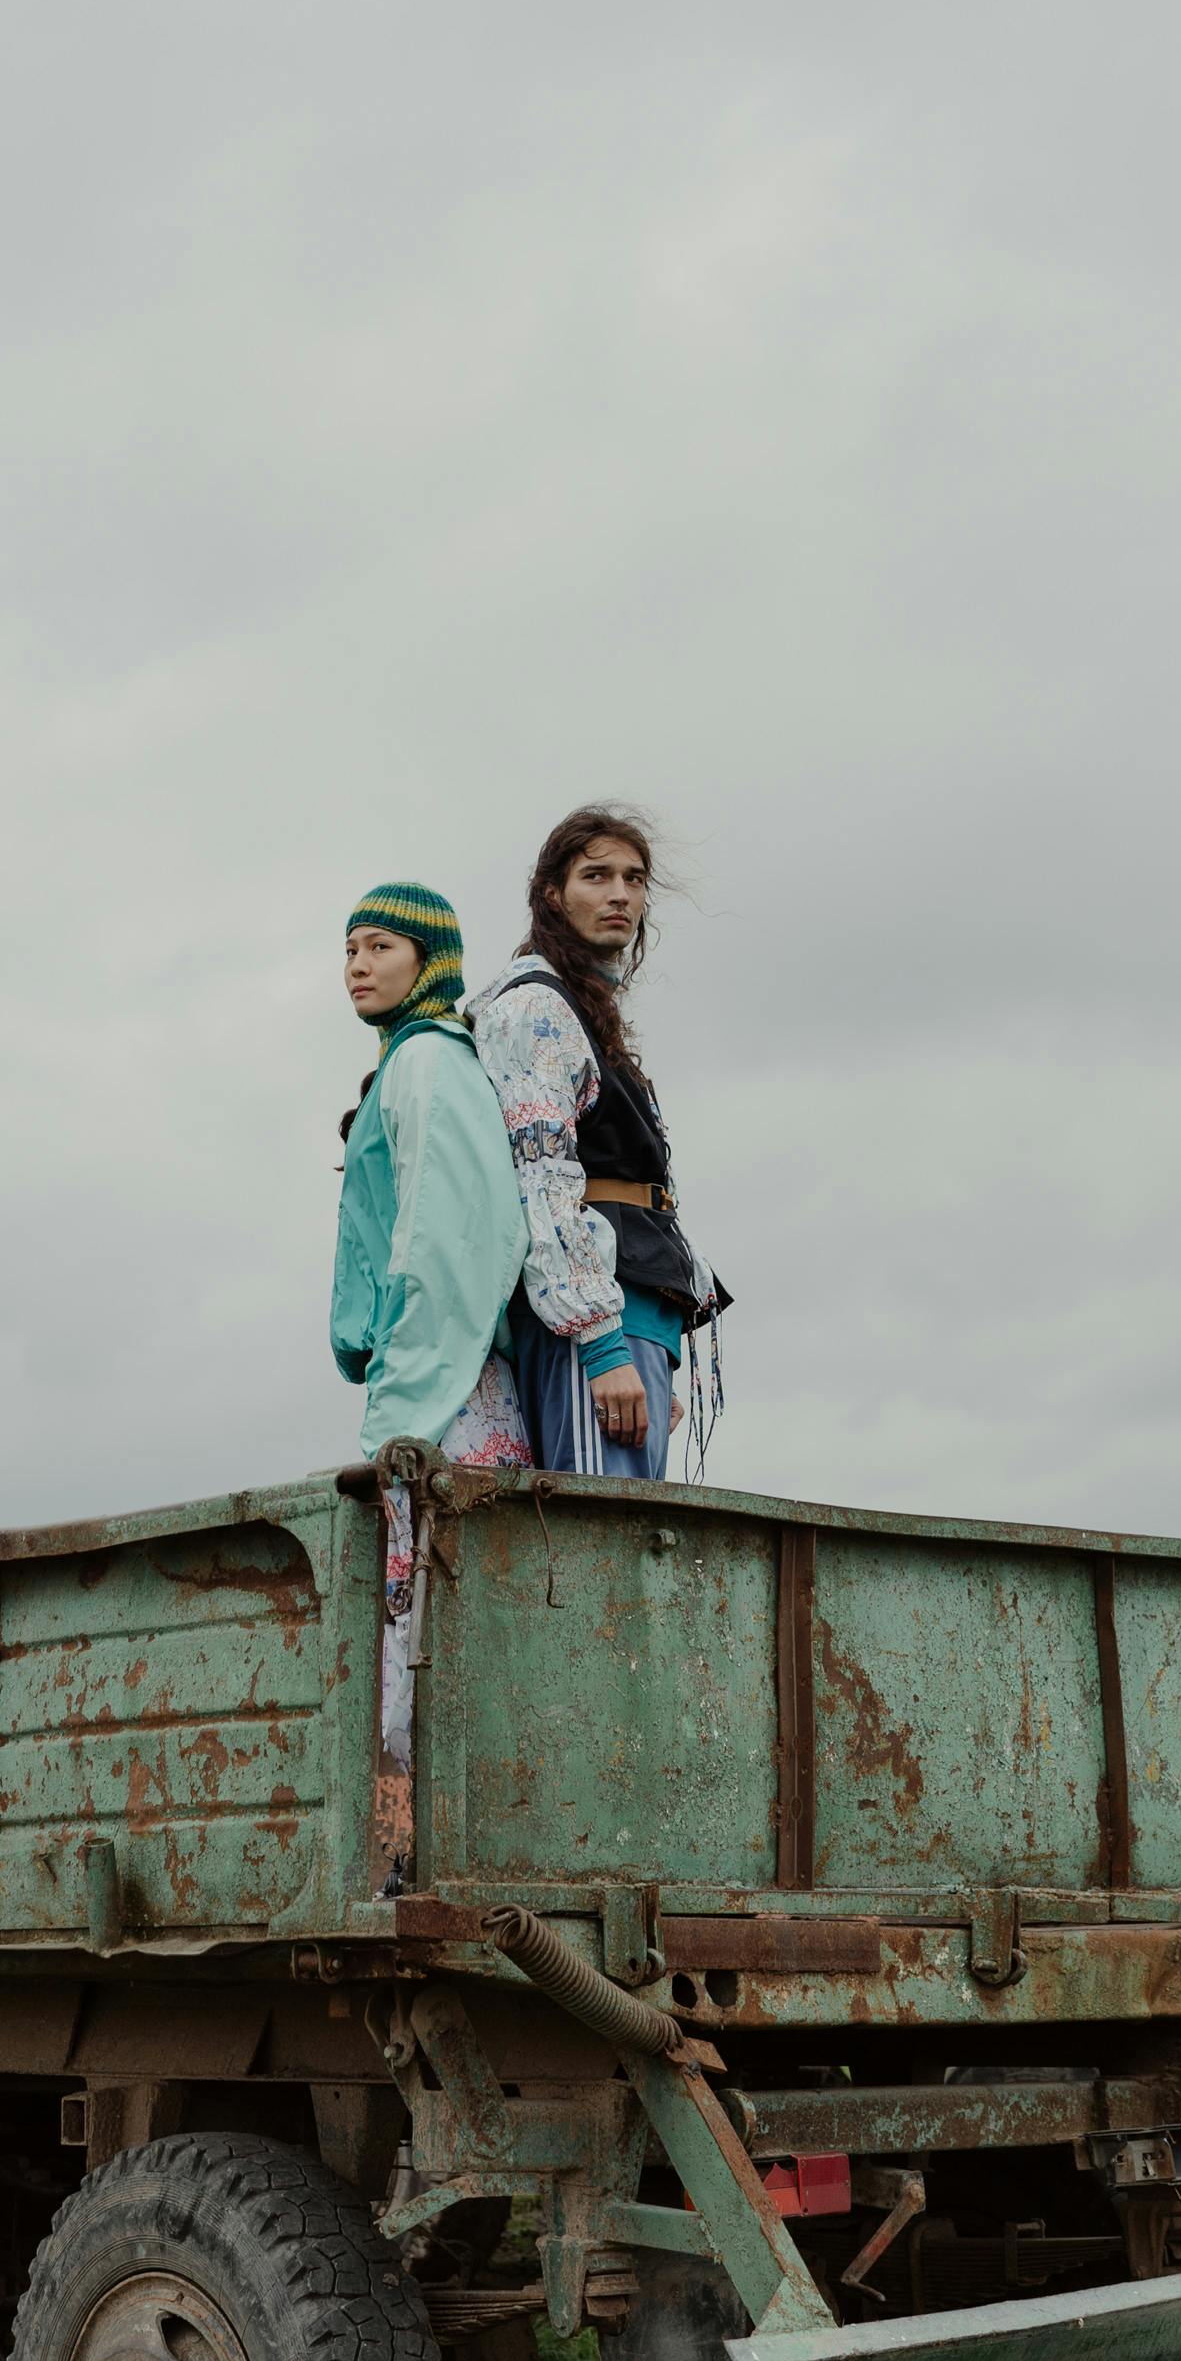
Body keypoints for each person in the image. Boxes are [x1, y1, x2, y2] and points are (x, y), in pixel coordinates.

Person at [328, 879, 530, 1882]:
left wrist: (407, 1384)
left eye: (381, 944)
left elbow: (445, 1240)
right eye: (350, 949)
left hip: (445, 1386)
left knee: (429, 1617)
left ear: (430, 959)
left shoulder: (425, 1065)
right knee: (428, 1616)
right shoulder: (406, 1066)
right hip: (435, 1375)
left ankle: (419, 1858)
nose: (359, 964)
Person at [470, 806, 726, 1479]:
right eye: (596, 875)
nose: (620, 894)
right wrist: (602, 1346)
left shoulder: (586, 1010)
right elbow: (541, 1180)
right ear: (551, 894)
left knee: (629, 1549)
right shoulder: (534, 1008)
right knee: (599, 1544)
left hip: (633, 1305)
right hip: (589, 1322)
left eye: (634, 879)